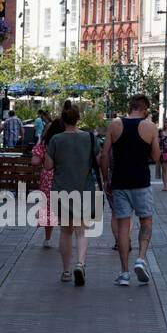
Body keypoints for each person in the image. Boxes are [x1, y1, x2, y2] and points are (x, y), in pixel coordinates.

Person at [100, 94, 160, 287]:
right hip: (141, 181)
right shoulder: (150, 127)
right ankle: (141, 258)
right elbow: (156, 156)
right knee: (146, 220)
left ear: (130, 107)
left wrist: (105, 178)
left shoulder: (114, 125)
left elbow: (104, 155)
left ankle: (124, 272)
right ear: (145, 109)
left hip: (119, 182)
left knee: (123, 227)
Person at [45, 103, 99, 286]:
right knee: (82, 231)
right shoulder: (90, 138)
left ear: (63, 120)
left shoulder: (56, 140)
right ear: (78, 119)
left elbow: (48, 166)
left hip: (61, 189)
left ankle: (66, 271)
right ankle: (80, 264)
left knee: (65, 232)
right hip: (85, 189)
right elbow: (99, 161)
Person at [31, 114, 65, 248]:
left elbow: (35, 161)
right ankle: (65, 237)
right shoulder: (66, 141)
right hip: (65, 177)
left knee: (48, 208)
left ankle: (48, 239)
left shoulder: (45, 142)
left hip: (47, 178)